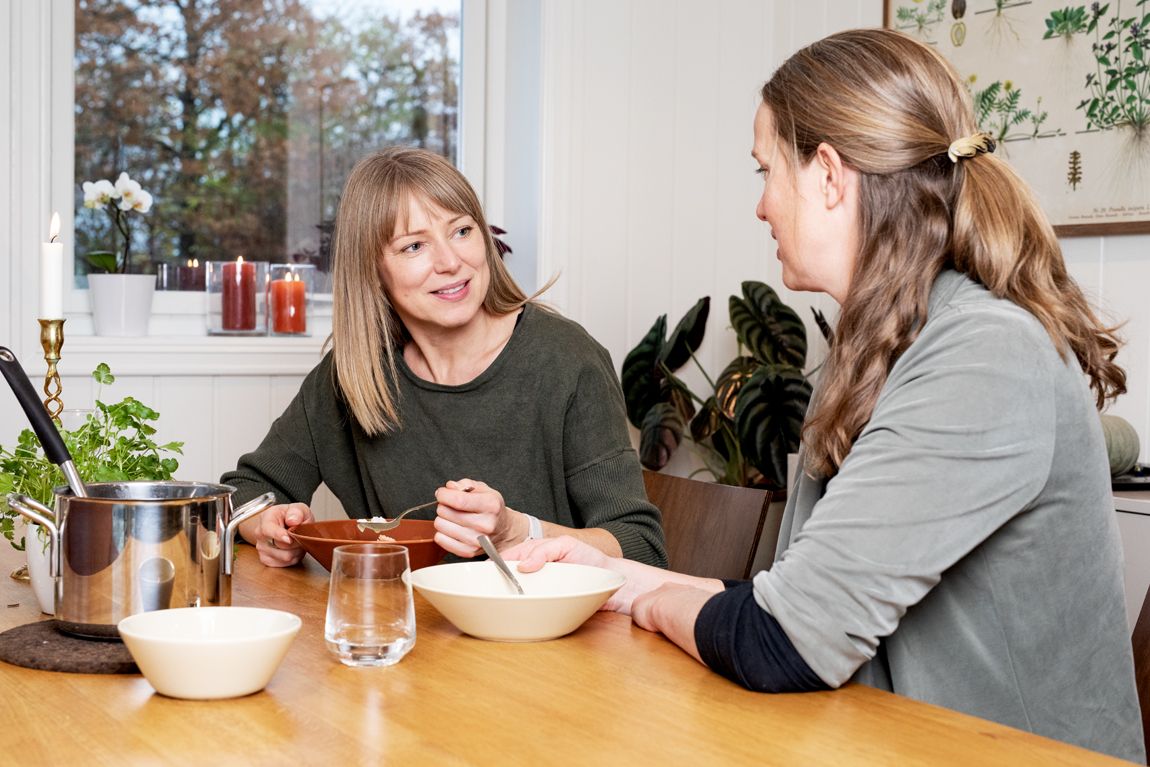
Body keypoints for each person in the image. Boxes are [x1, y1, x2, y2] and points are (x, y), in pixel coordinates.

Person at [501, 28, 1143, 762]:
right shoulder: (884, 347)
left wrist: (647, 600)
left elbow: (784, 638)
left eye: (765, 171)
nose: (761, 206)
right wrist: (612, 575)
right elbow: (795, 598)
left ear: (831, 176)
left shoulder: (984, 353)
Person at [222, 146, 666, 569]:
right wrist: (267, 525)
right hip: (406, 634)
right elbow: (246, 491)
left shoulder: (567, 361)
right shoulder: (353, 377)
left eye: (461, 231)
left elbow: (640, 547)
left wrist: (517, 531)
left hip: (548, 640)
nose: (450, 261)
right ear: (372, 271)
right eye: (414, 246)